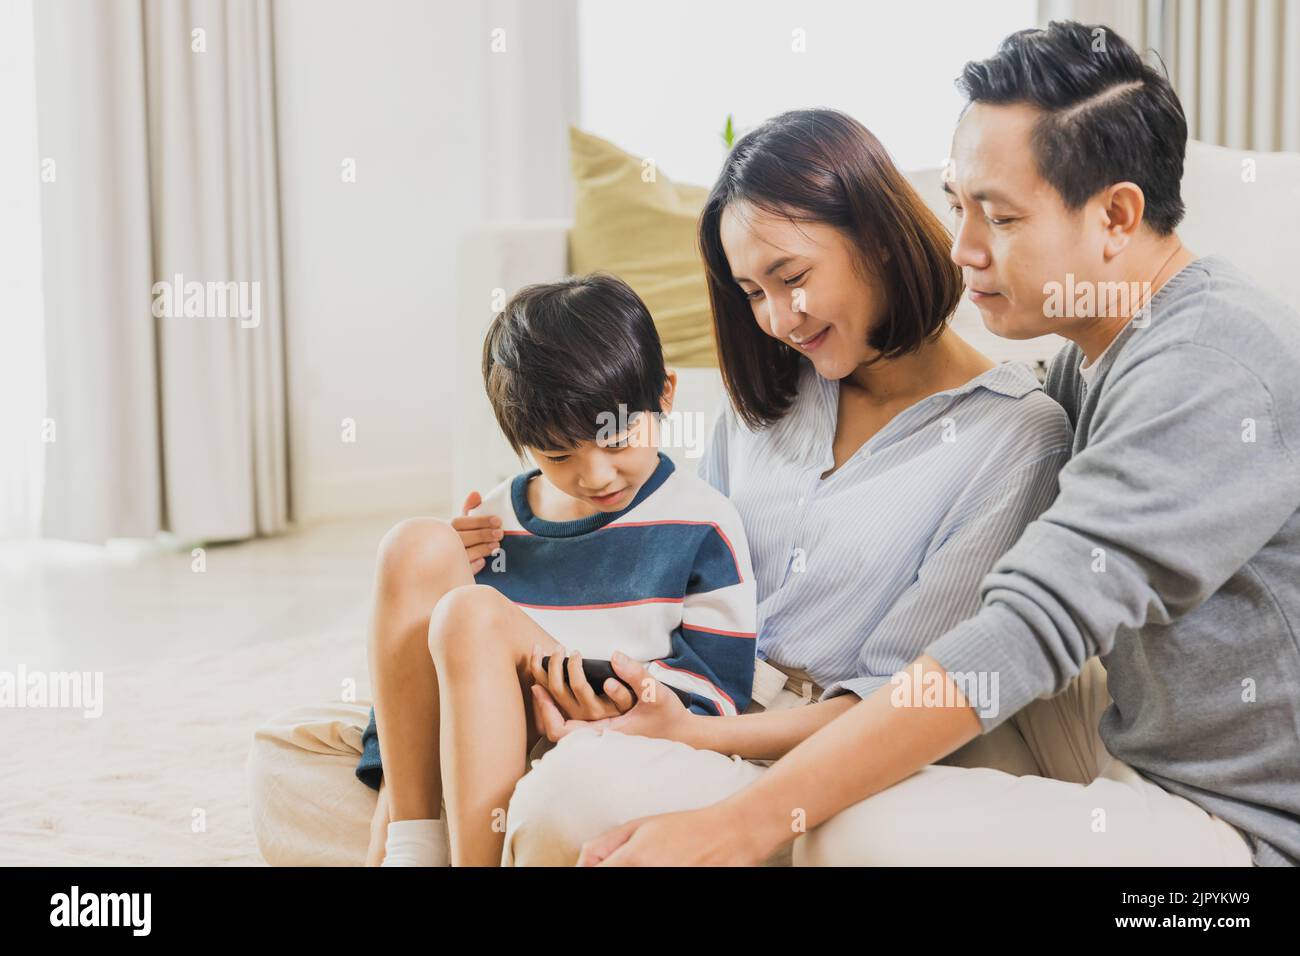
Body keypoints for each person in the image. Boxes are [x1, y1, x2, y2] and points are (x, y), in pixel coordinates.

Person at [520, 21, 1300, 868]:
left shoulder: (1209, 363)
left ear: (1115, 216)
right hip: (1113, 740)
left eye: (997, 217)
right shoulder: (1096, 353)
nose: (962, 249)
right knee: (647, 787)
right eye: (959, 206)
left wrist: (738, 824)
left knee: (848, 834)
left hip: (1235, 835)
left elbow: (1030, 628)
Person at [357, 272, 757, 866]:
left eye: (618, 441)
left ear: (664, 397)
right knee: (414, 544)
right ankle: (411, 846)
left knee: (470, 611)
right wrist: (447, 568)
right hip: (478, 738)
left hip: (612, 738)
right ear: (524, 445)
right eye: (559, 456)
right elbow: (422, 670)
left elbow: (720, 692)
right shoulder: (492, 524)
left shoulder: (702, 522)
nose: (596, 475)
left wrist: (619, 705)